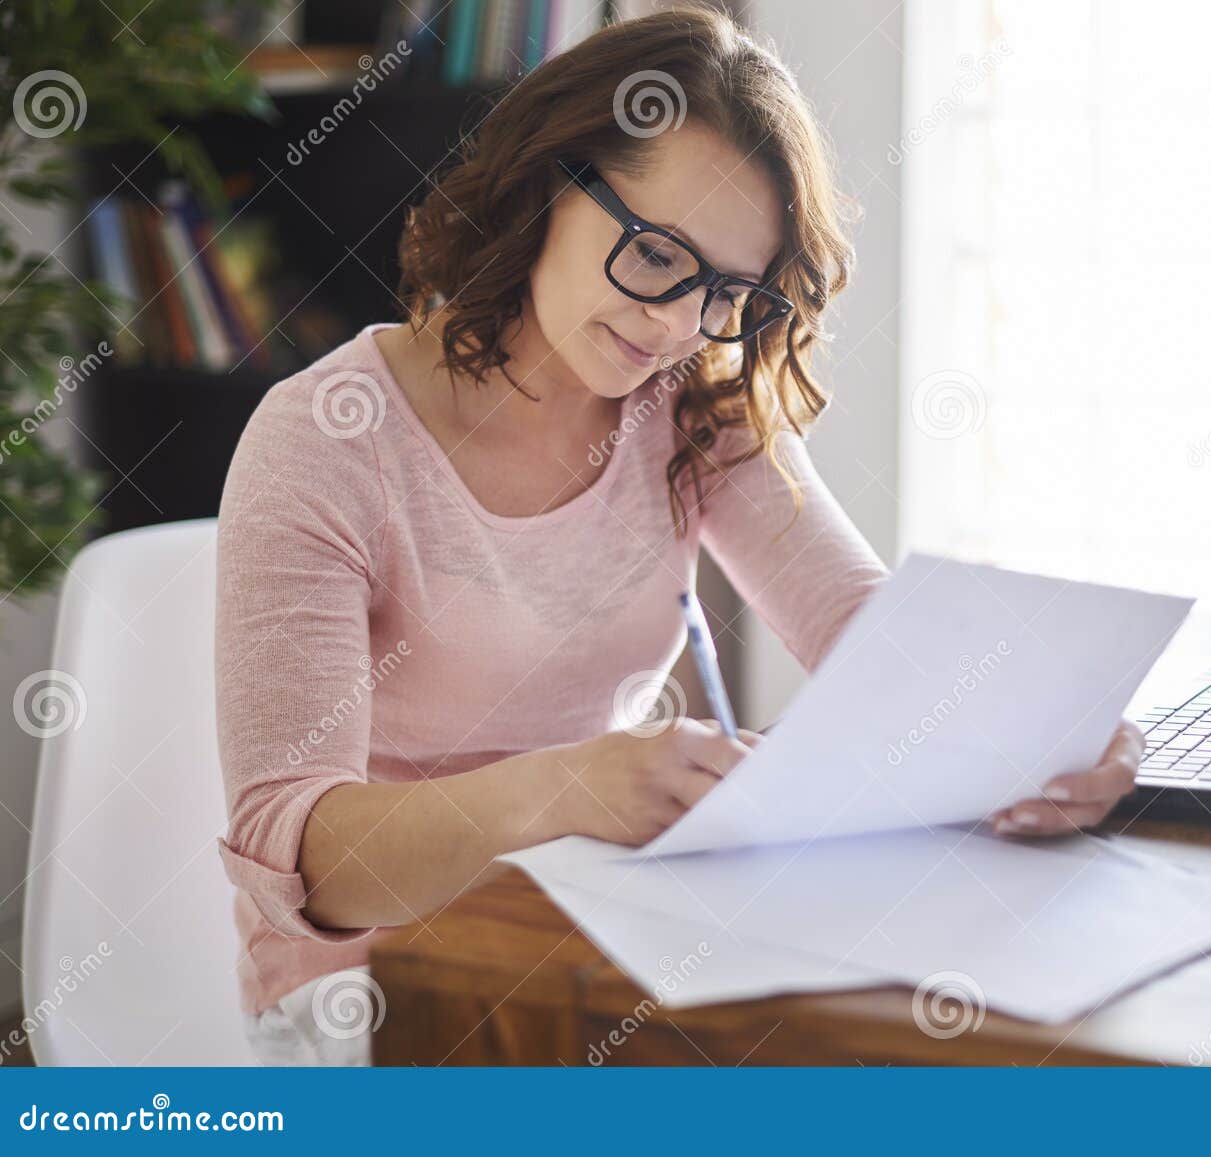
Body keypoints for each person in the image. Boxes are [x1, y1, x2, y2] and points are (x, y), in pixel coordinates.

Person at [215, 7, 1144, 1065]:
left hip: (613, 937)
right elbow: (300, 859)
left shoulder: (690, 404)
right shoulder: (327, 438)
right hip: (381, 987)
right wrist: (568, 786)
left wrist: (1053, 732)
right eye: (656, 255)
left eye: (726, 293)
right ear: (546, 184)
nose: (673, 324)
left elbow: (874, 642)